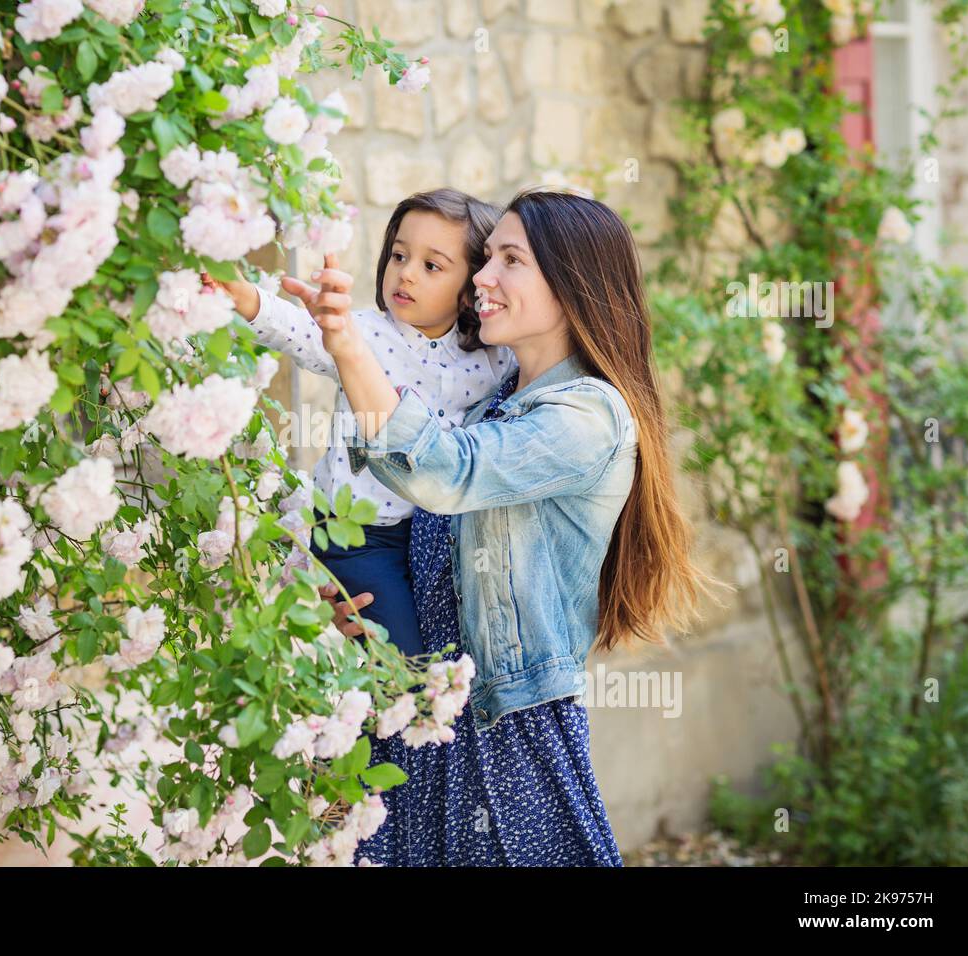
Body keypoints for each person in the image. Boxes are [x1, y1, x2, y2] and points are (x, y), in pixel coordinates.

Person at [303, 188, 722, 865]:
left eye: (509, 260)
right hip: (422, 706)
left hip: (503, 735)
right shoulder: (492, 400)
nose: (482, 278)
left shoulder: (585, 419)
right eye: (487, 257)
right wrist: (354, 608)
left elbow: (442, 472)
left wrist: (350, 348)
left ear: (570, 286)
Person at [210, 189, 510, 656]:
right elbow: (303, 334)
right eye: (398, 255)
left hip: (430, 538)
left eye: (431, 266)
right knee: (404, 663)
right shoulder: (367, 334)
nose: (405, 272)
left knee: (447, 658)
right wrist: (246, 297)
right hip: (358, 536)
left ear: (472, 288)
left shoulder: (491, 357)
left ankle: (385, 725)